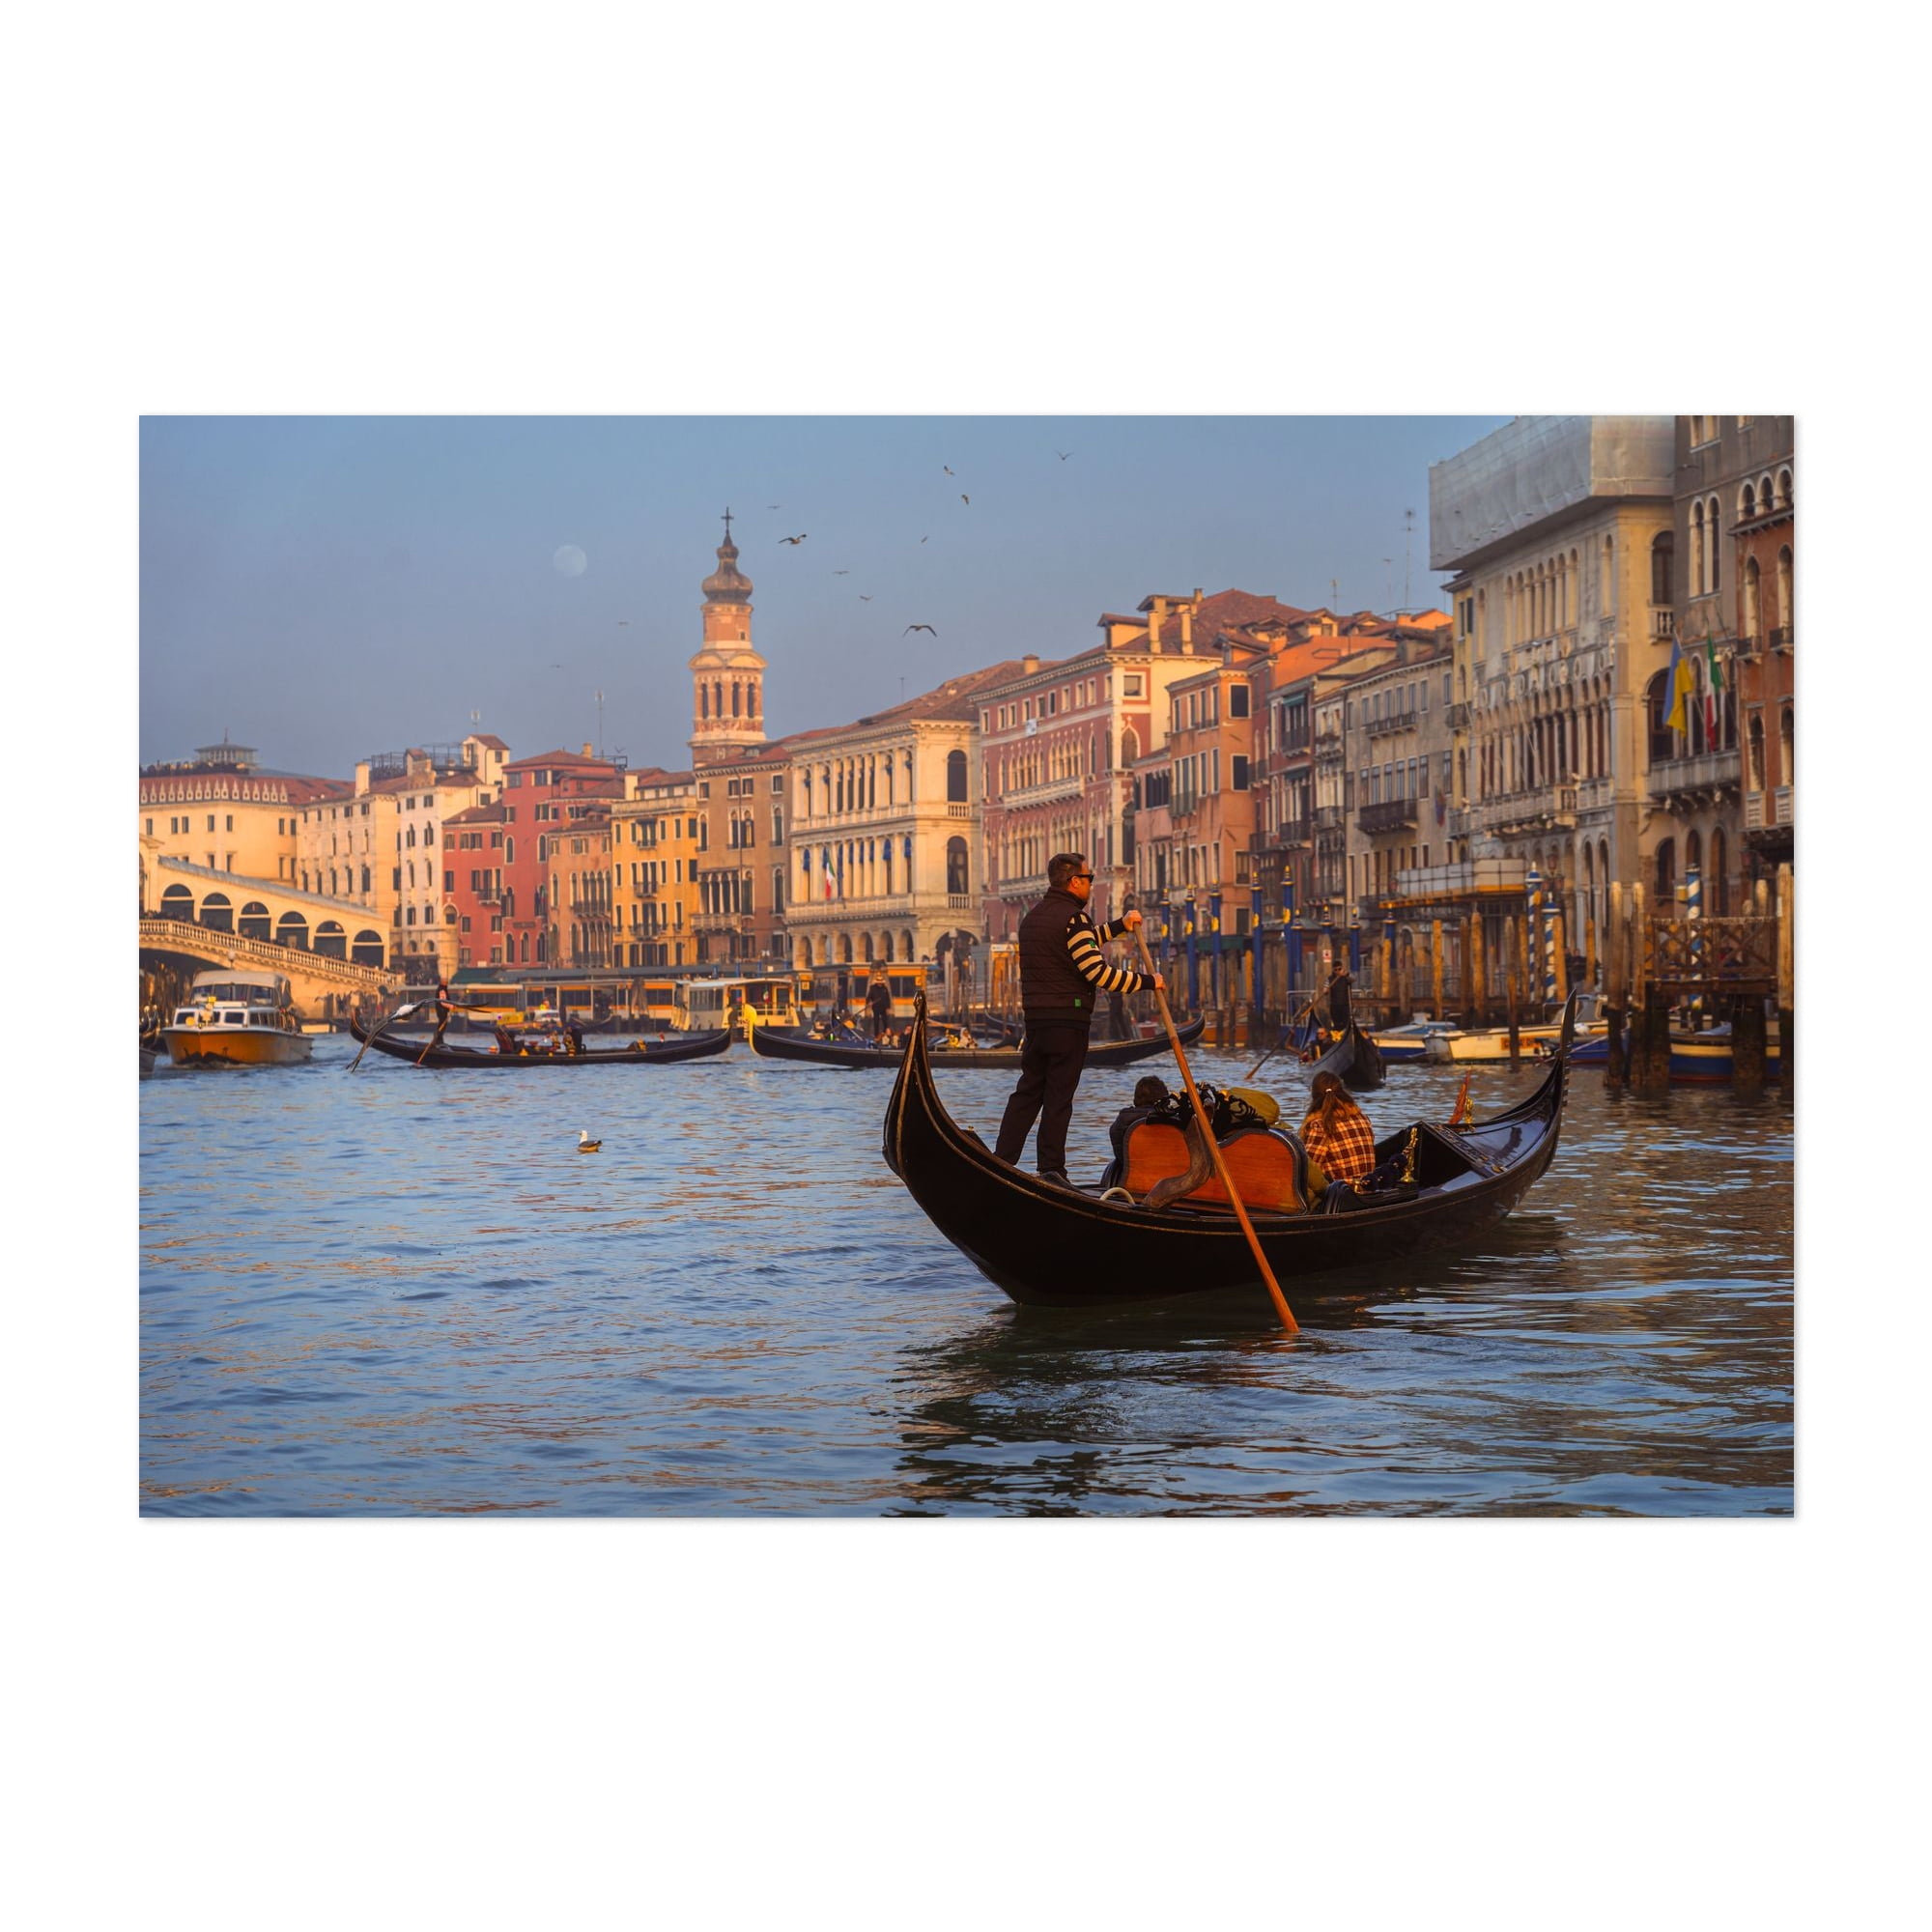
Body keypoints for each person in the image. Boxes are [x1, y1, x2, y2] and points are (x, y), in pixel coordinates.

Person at [993, 852, 1164, 1186]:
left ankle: (1002, 1160)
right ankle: (1052, 1169)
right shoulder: (1073, 919)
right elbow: (1098, 973)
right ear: (1074, 882)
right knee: (1058, 1097)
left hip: (1037, 1024)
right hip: (1067, 1024)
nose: (1090, 884)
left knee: (1027, 1093)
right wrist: (1148, 981)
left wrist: (1119, 927)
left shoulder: (1033, 919)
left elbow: (1075, 943)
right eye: (1088, 878)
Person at [1300, 1069, 1377, 1188]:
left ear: (1314, 1095)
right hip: (1367, 1187)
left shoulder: (1319, 1125)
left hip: (1341, 1194)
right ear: (1342, 1091)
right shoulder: (1363, 1118)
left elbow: (1307, 1170)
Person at [867, 974, 892, 1040]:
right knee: (876, 1022)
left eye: (881, 982)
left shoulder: (884, 988)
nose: (880, 983)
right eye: (879, 982)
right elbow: (869, 997)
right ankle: (876, 1035)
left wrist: (888, 1007)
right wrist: (868, 1003)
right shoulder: (872, 988)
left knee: (885, 1021)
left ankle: (885, 1033)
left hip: (883, 1007)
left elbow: (887, 998)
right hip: (876, 1007)